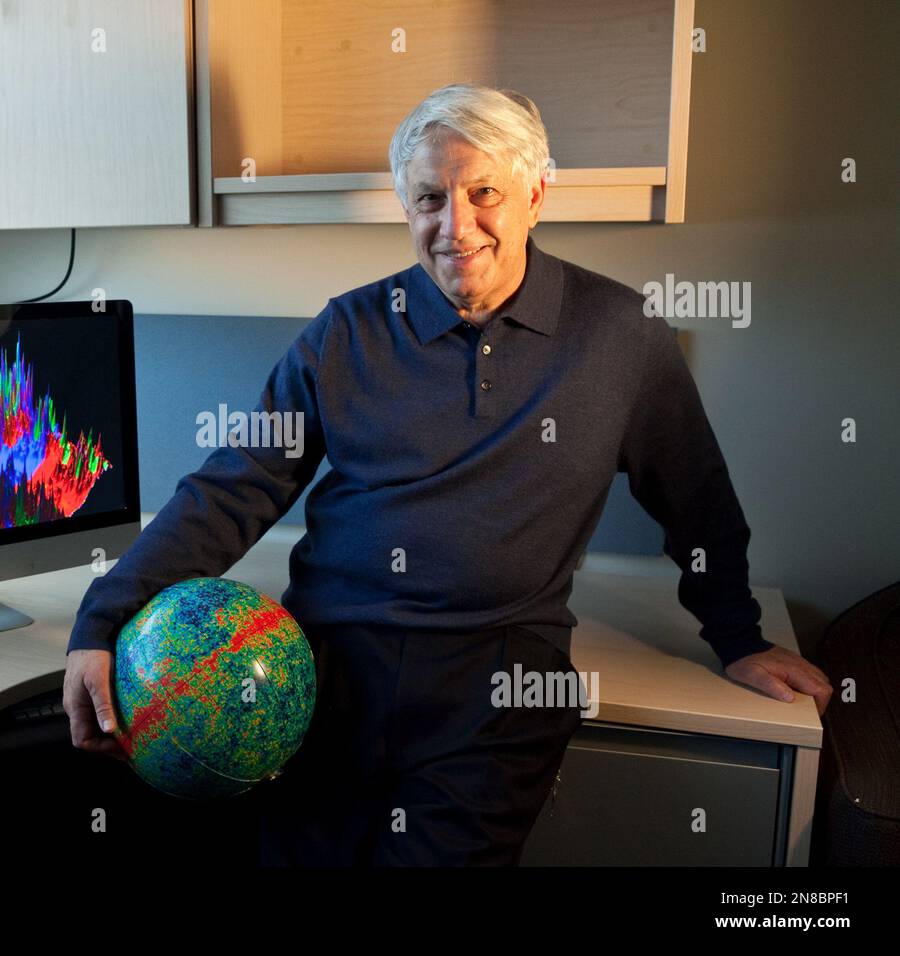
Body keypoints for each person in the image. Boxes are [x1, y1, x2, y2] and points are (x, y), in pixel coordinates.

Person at [62, 83, 832, 865]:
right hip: (326, 672)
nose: (456, 226)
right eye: (430, 197)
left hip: (497, 683)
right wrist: (103, 614)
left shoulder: (620, 337)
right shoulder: (346, 332)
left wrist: (738, 636)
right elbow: (235, 486)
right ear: (407, 207)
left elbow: (696, 499)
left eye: (484, 192)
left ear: (536, 193)